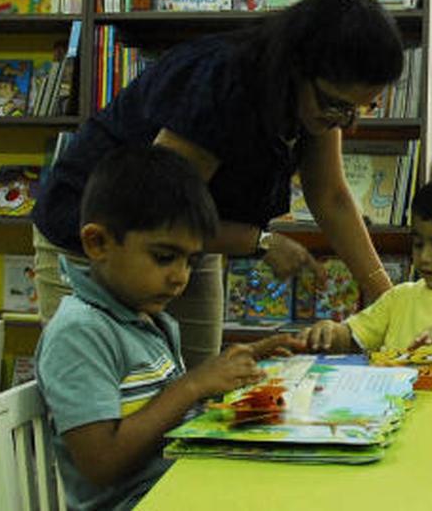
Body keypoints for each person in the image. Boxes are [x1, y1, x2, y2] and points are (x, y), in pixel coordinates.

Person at [32, 0, 404, 367]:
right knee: (107, 394)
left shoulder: (315, 96)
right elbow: (158, 209)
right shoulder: (222, 80)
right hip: (100, 238)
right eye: (336, 104)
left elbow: (331, 197)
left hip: (187, 241)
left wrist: (390, 303)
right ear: (297, 65)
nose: (342, 120)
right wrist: (260, 242)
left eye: (359, 108)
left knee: (189, 388)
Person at [36, 146, 295, 510]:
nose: (180, 278)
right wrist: (192, 385)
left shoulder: (144, 317)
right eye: (163, 257)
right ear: (98, 243)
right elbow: (101, 464)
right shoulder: (80, 332)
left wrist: (238, 364)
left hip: (177, 488)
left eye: (191, 261)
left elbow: (165, 416)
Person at [299, 173, 432, 358]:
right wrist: (330, 333)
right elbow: (353, 338)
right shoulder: (399, 297)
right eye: (417, 244)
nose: (424, 257)